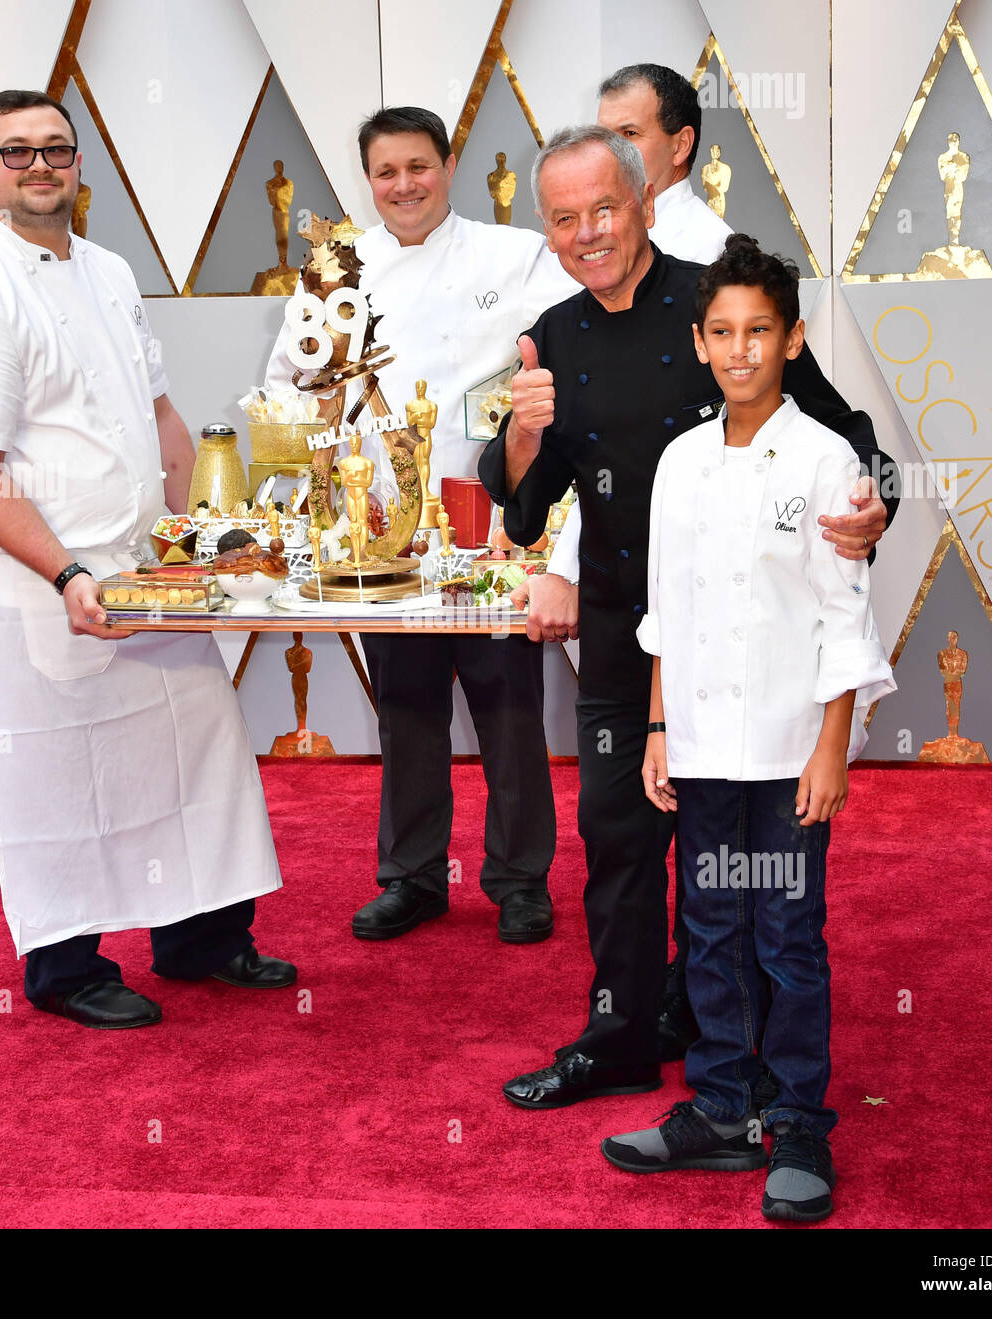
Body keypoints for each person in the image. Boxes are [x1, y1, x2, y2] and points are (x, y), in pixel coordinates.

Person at [478, 125, 899, 1108]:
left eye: (603, 209)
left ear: (644, 204)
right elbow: (522, 507)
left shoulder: (715, 309)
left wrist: (873, 502)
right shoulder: (554, 335)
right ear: (548, 230)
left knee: (743, 870)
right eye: (564, 218)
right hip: (637, 640)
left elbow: (848, 441)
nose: (587, 232)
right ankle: (620, 1034)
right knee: (620, 841)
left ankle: (732, 1047)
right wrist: (523, 430)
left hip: (755, 650)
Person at [0, 89, 292, 1030]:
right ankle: (66, 967)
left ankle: (202, 939)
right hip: (33, 586)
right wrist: (68, 575)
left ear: (78, 163)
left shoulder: (111, 270)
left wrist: (197, 531)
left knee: (192, 742)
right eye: (16, 153)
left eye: (56, 149)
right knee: (56, 773)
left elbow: (158, 414)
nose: (39, 166)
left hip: (140, 570)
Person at [600, 235, 895, 1222]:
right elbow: (664, 612)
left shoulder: (824, 459)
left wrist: (829, 747)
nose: (738, 350)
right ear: (698, 342)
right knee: (710, 923)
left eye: (758, 331)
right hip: (698, 745)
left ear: (791, 338)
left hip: (785, 751)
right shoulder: (679, 462)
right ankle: (724, 1105)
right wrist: (654, 728)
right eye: (721, 331)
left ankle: (800, 1116)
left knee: (786, 933)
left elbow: (841, 612)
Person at [264, 106, 577, 944]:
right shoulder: (337, 270)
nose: (403, 185)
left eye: (418, 167)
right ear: (367, 180)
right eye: (386, 172)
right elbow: (293, 385)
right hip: (381, 531)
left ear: (448, 165)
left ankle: (519, 879)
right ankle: (411, 877)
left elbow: (560, 359)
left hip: (486, 522)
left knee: (508, 705)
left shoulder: (516, 257)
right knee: (404, 708)